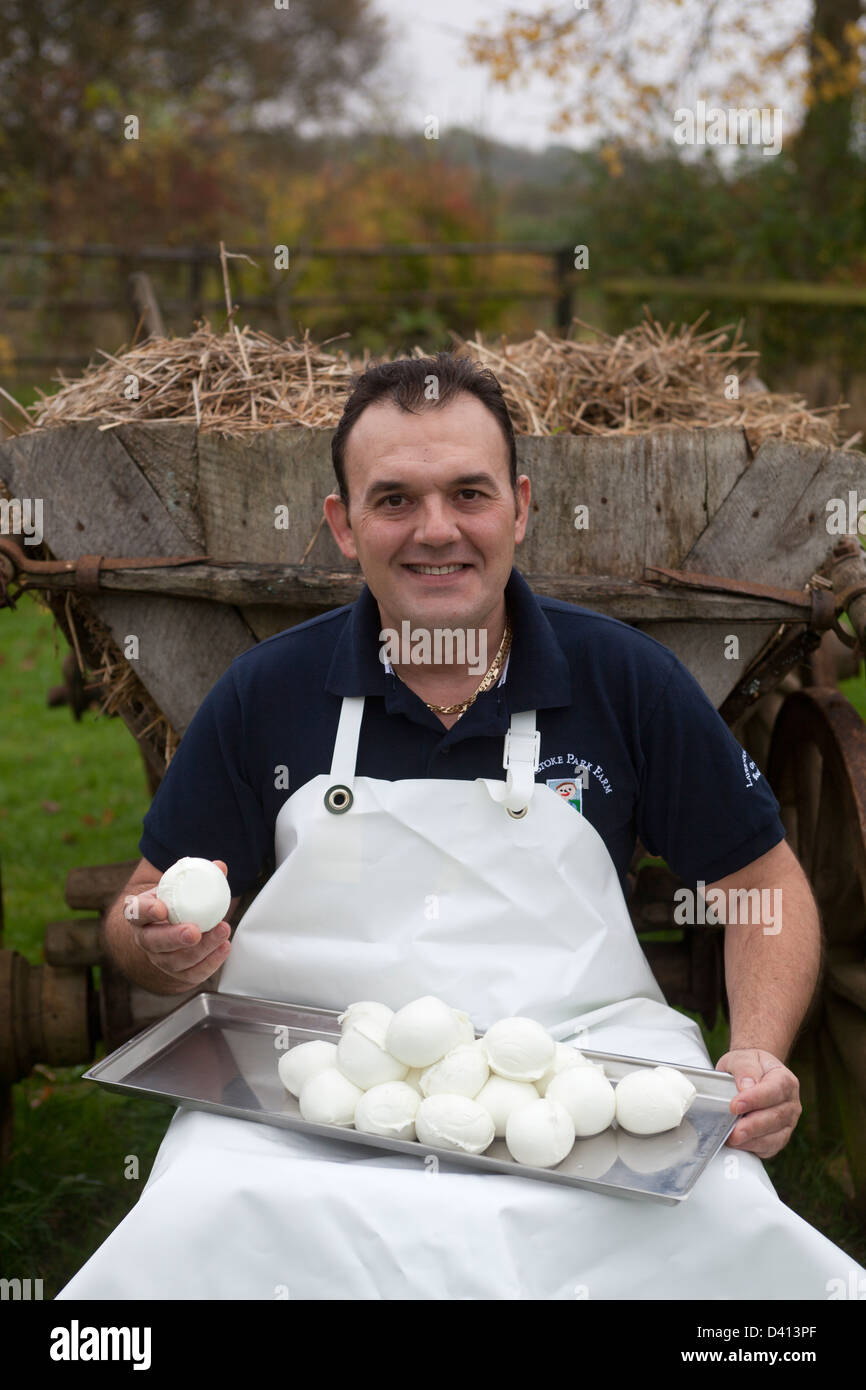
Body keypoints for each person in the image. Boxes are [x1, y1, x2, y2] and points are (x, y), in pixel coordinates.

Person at [56, 352, 865, 1299]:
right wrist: (160, 945)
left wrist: (757, 1051)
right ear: (341, 526)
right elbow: (140, 907)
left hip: (584, 1075)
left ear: (519, 507)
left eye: (468, 495)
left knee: (724, 1216)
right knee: (199, 1214)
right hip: (309, 1083)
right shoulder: (266, 693)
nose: (436, 531)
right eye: (394, 500)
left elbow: (761, 883)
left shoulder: (625, 679)